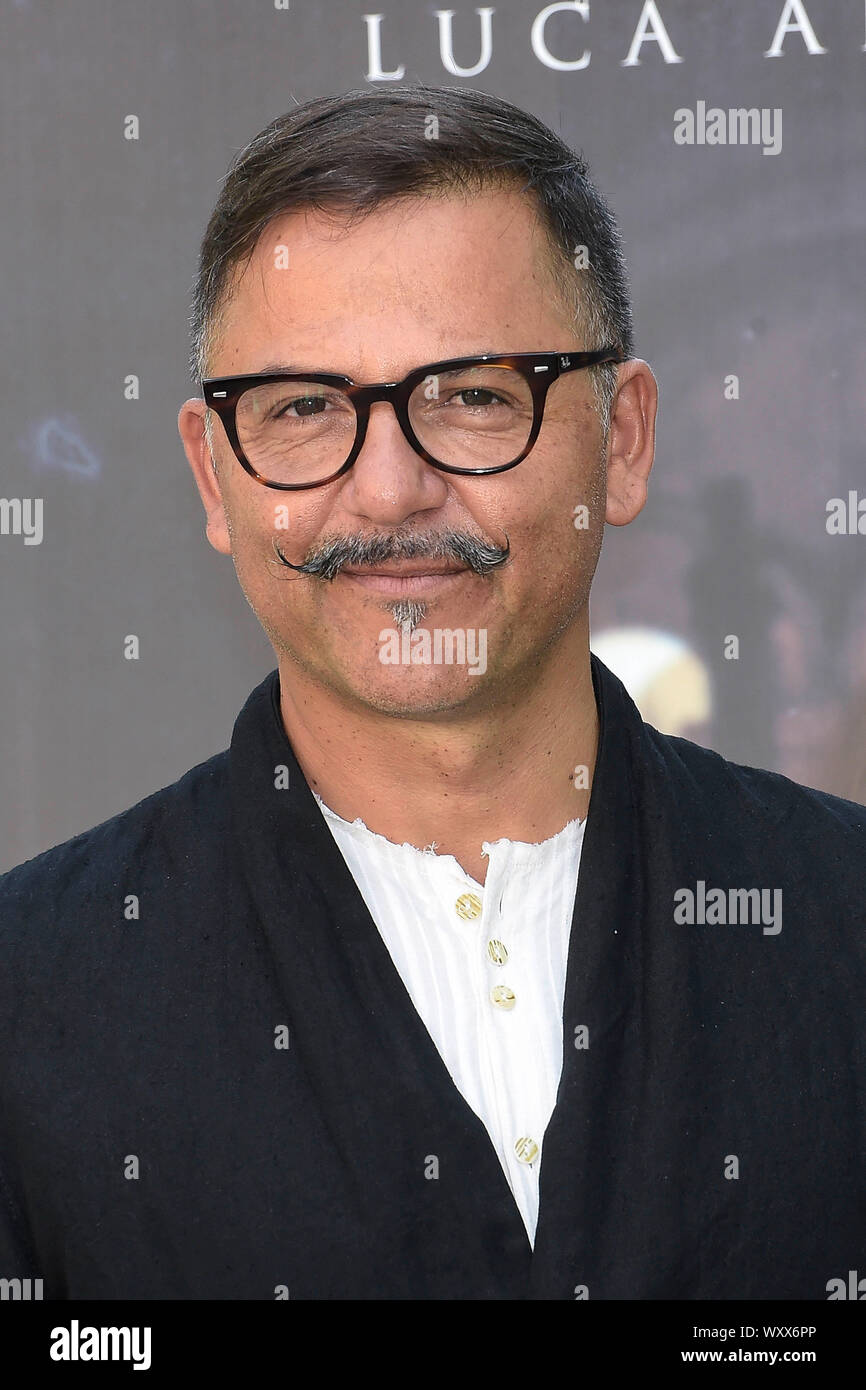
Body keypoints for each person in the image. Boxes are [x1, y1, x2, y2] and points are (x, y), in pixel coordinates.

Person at [1, 85, 864, 1302]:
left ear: (619, 439)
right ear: (212, 472)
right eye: (304, 408)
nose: (391, 488)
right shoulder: (28, 997)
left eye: (471, 394)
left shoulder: (840, 919)